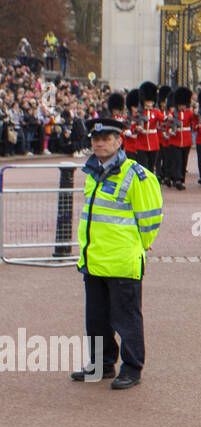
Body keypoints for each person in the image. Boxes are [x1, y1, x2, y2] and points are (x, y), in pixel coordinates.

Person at [69, 113, 163, 389]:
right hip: (94, 259)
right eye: (96, 139)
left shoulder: (137, 175)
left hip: (122, 261)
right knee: (96, 320)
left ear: (119, 141)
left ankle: (132, 367)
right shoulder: (92, 171)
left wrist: (140, 246)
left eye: (106, 138)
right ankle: (101, 364)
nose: (99, 143)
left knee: (126, 319)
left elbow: (151, 218)